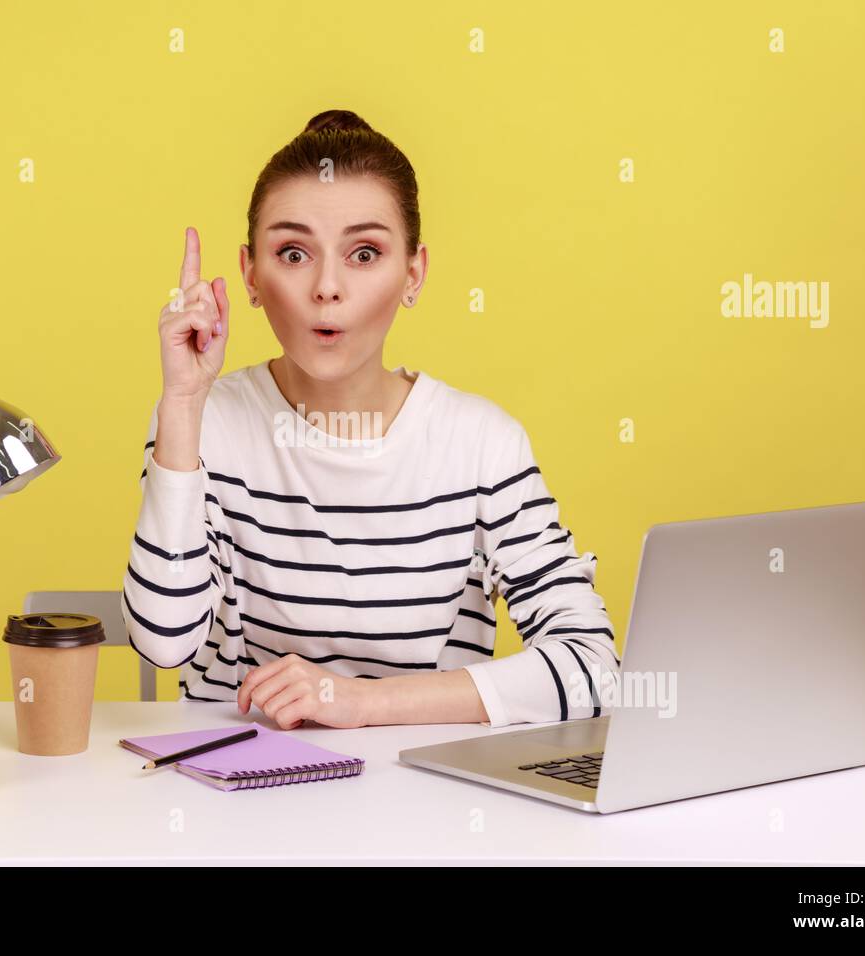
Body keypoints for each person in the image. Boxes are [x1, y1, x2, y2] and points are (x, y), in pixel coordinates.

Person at [121, 108, 619, 730]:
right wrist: (183, 404)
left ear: (413, 274)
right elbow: (165, 642)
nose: (327, 286)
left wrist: (360, 702)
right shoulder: (205, 421)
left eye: (363, 252)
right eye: (294, 252)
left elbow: (593, 667)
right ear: (250, 275)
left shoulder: (481, 444)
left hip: (428, 804)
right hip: (235, 799)